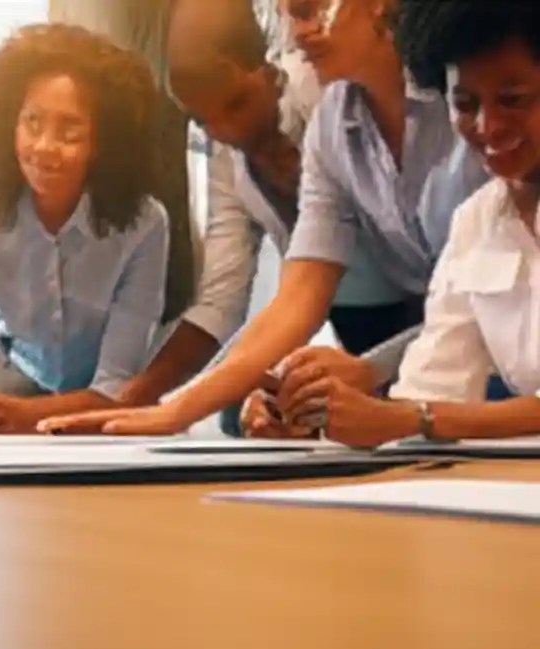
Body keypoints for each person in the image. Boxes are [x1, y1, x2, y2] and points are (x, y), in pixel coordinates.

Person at [40, 0, 489, 436]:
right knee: (251, 407)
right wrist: (171, 411)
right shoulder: (335, 121)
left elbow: (486, 304)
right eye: (288, 17)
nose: (298, 35)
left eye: (310, 10)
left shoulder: (467, 102)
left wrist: (372, 370)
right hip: (429, 339)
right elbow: (298, 298)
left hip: (490, 337)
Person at [113, 0, 413, 416]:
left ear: (271, 65)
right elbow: (232, 298)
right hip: (343, 318)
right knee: (243, 410)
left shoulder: (329, 99)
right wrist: (149, 396)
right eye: (203, 121)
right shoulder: (232, 159)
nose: (224, 130)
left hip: (424, 305)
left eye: (235, 104)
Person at [274, 0, 540, 447]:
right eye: (464, 103)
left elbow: (422, 415)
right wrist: (316, 413)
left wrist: (418, 419)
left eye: (513, 101)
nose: (487, 126)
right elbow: (430, 387)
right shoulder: (475, 223)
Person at [0, 22, 170, 432]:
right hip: (14, 380)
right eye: (32, 122)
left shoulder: (144, 225)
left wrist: (7, 413)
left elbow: (114, 390)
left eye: (70, 130)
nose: (44, 147)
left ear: (102, 142)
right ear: (8, 125)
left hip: (99, 411)